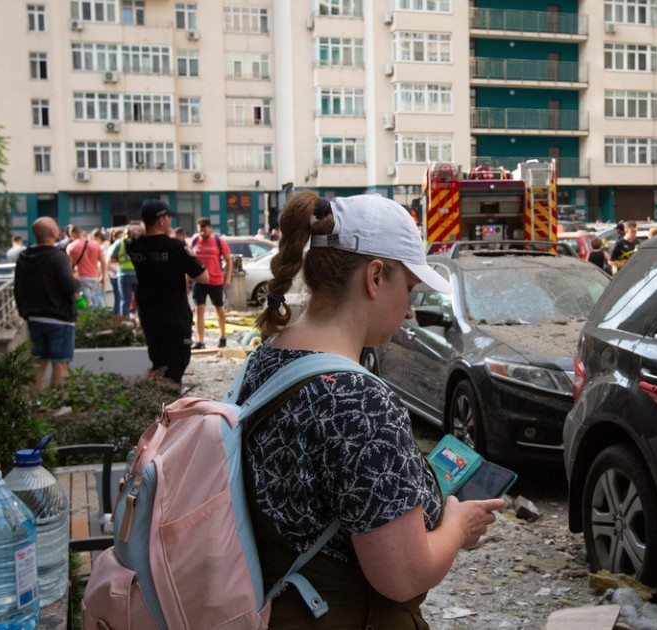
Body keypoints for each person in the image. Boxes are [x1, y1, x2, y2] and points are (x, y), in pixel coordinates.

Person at [237, 192, 505, 628]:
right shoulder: (361, 403)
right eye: (410, 289)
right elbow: (403, 576)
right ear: (376, 277)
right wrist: (456, 525)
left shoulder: (267, 358)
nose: (411, 310)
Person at [127, 200, 208, 386]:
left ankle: (156, 402)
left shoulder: (133, 246)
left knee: (159, 362)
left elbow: (136, 236)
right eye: (168, 217)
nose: (171, 221)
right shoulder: (175, 247)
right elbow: (204, 277)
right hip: (174, 316)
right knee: (176, 364)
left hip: (149, 314)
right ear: (161, 220)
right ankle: (168, 407)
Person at [14, 217, 80, 391]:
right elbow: (69, 285)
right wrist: (76, 282)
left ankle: (37, 405)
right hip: (59, 318)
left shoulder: (24, 257)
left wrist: (24, 311)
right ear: (53, 232)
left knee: (38, 363)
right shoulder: (58, 256)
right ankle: (59, 405)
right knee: (61, 363)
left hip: (34, 318)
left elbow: (18, 286)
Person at [189, 218, 233, 349]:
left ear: (210, 228)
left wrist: (228, 277)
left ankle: (223, 336)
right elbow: (189, 261)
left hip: (215, 280)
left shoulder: (219, 242)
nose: (202, 232)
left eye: (205, 229)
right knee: (199, 309)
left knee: (218, 309)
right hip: (198, 281)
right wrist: (186, 279)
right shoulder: (195, 241)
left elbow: (228, 260)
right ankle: (200, 341)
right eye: (200, 229)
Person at [107, 223, 142, 320]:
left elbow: (111, 260)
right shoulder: (142, 242)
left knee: (124, 301)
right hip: (139, 275)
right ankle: (141, 323)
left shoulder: (120, 243)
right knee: (140, 301)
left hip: (123, 275)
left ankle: (125, 324)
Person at [66, 226, 106, 309]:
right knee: (96, 300)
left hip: (81, 278)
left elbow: (69, 266)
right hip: (95, 277)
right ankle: (98, 317)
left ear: (72, 235)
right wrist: (102, 277)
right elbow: (103, 262)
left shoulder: (71, 246)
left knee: (86, 303)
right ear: (82, 233)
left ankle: (89, 319)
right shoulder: (95, 245)